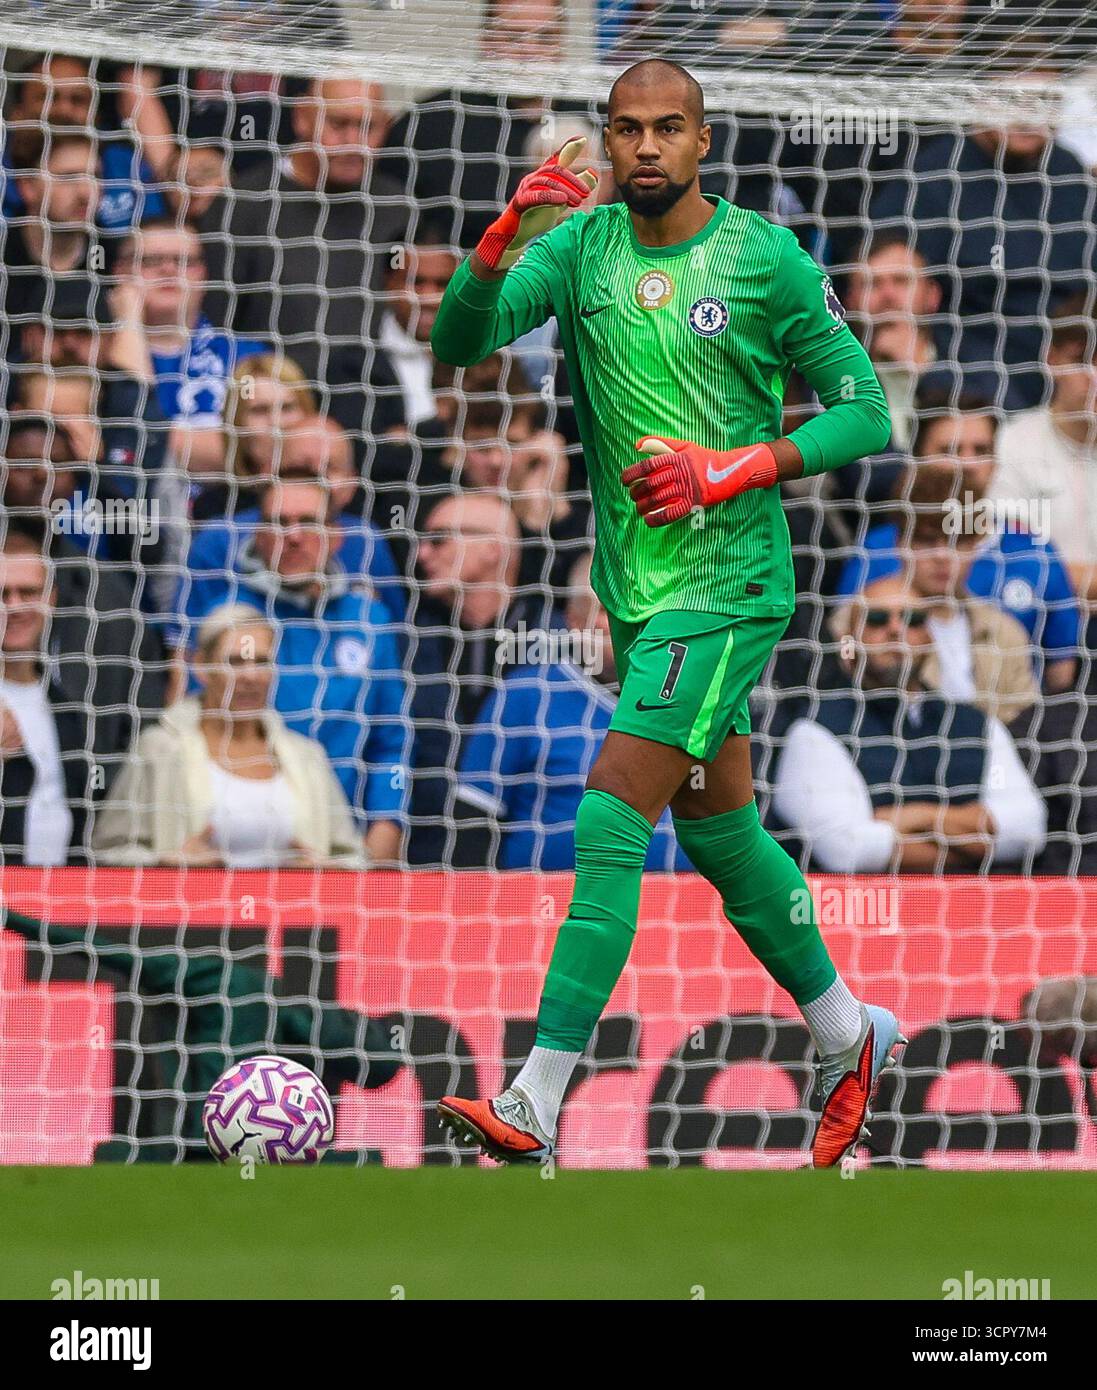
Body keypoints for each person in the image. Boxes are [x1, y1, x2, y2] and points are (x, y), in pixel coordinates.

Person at [430, 58, 897, 1169]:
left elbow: (865, 412)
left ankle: (536, 1100)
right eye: (625, 129)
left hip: (729, 589)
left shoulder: (763, 258)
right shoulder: (580, 247)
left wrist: (730, 467)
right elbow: (459, 341)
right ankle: (844, 1034)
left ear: (700, 140)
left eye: (666, 129)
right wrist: (496, 240)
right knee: (722, 834)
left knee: (608, 812)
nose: (644, 147)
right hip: (635, 595)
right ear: (606, 138)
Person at [171, 477, 407, 865]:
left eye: (308, 522)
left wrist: (387, 825)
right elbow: (190, 722)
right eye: (279, 522)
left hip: (339, 845)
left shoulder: (370, 622)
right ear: (258, 536)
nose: (294, 536)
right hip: (234, 839)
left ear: (336, 536)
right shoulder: (224, 615)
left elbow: (391, 741)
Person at [774, 580, 1047, 874]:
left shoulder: (978, 725)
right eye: (877, 619)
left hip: (972, 914)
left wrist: (918, 817)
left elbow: (1029, 830)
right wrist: (977, 843)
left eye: (912, 620)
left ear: (929, 637)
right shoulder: (814, 730)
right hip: (864, 915)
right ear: (848, 644)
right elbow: (849, 850)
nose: (895, 629)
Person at [454, 552, 689, 870]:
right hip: (547, 907)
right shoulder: (526, 696)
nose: (633, 625)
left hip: (685, 910)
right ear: (575, 622)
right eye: (610, 611)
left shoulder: (698, 699)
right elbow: (473, 819)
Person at [93, 605, 368, 868]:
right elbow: (108, 851)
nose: (250, 676)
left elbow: (353, 858)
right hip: (190, 913)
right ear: (201, 667)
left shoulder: (307, 756)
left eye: (261, 661)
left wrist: (323, 871)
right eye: (235, 662)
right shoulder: (159, 748)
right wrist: (164, 864)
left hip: (293, 915)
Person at [991, 293, 1097, 604]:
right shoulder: (1012, 443)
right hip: (1040, 620)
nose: (1093, 377)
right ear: (1051, 360)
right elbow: (1019, 563)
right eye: (1080, 360)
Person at [0, 533, 92, 864]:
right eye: (2, 594)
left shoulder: (65, 707)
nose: (14, 606)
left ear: (50, 599)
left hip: (57, 902)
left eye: (28, 592)